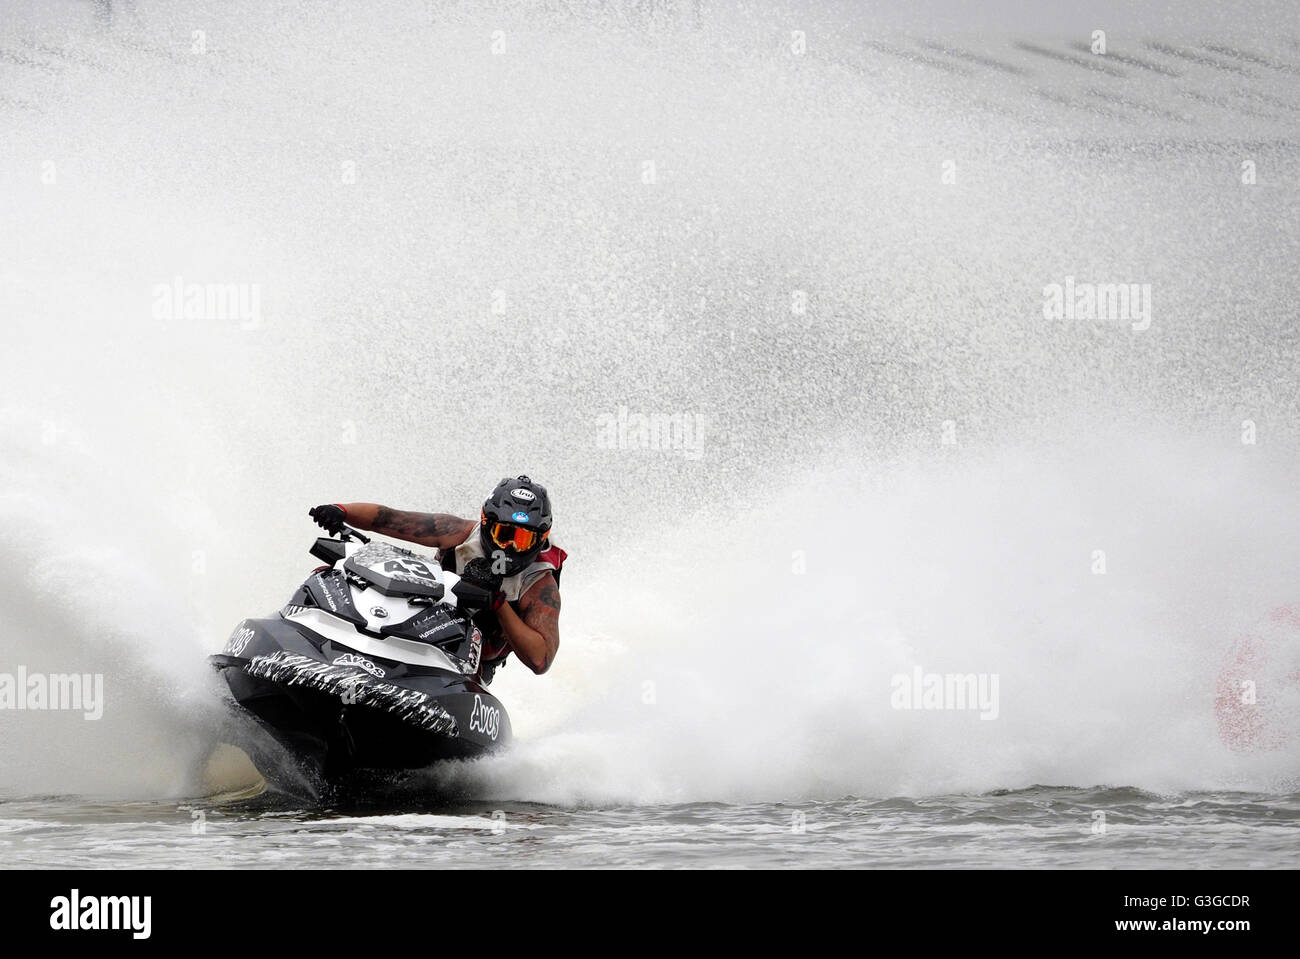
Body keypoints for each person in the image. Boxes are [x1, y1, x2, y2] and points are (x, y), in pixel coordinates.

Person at [309, 476, 564, 679]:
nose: (510, 547)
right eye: (504, 534)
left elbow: (540, 659)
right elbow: (389, 519)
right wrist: (340, 511)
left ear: (541, 538)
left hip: (465, 665)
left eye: (523, 540)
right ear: (487, 522)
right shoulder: (457, 532)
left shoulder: (540, 585)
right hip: (415, 624)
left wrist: (497, 603)